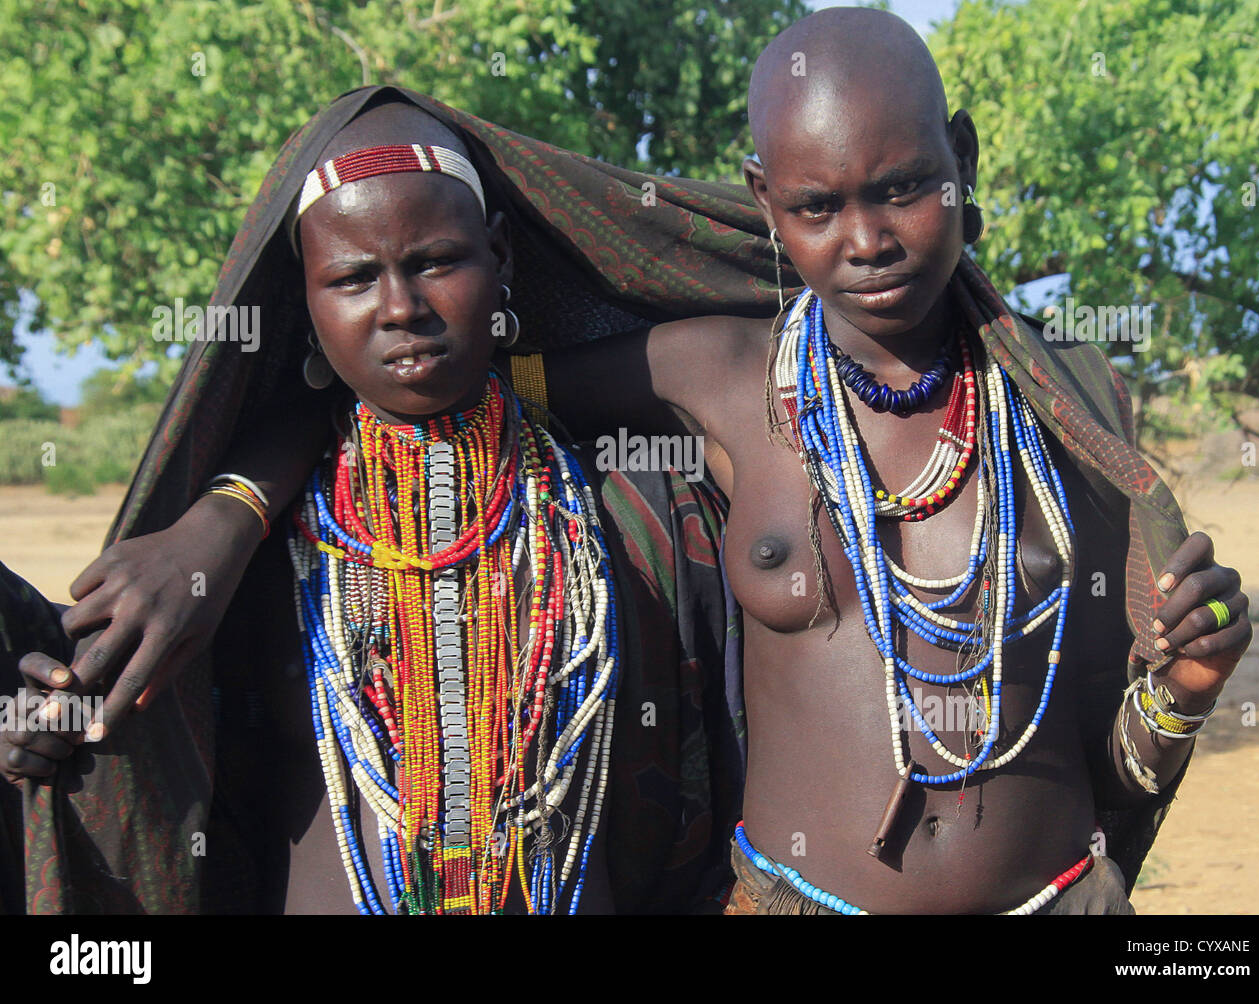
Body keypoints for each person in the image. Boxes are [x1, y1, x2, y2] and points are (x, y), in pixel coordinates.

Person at [8, 8, 1253, 915]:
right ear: (765, 204)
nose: (867, 238)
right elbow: (408, 386)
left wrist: (1184, 684)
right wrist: (224, 516)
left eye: (906, 189)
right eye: (817, 206)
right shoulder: (722, 380)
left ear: (962, 165)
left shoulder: (1072, 408)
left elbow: (1118, 744)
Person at [0, 88, 750, 914]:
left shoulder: (627, 511)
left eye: (435, 262)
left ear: (499, 256)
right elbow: (109, 739)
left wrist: (238, 501)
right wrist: (52, 726)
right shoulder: (241, 562)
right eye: (354, 277)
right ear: (307, 304)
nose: (401, 309)